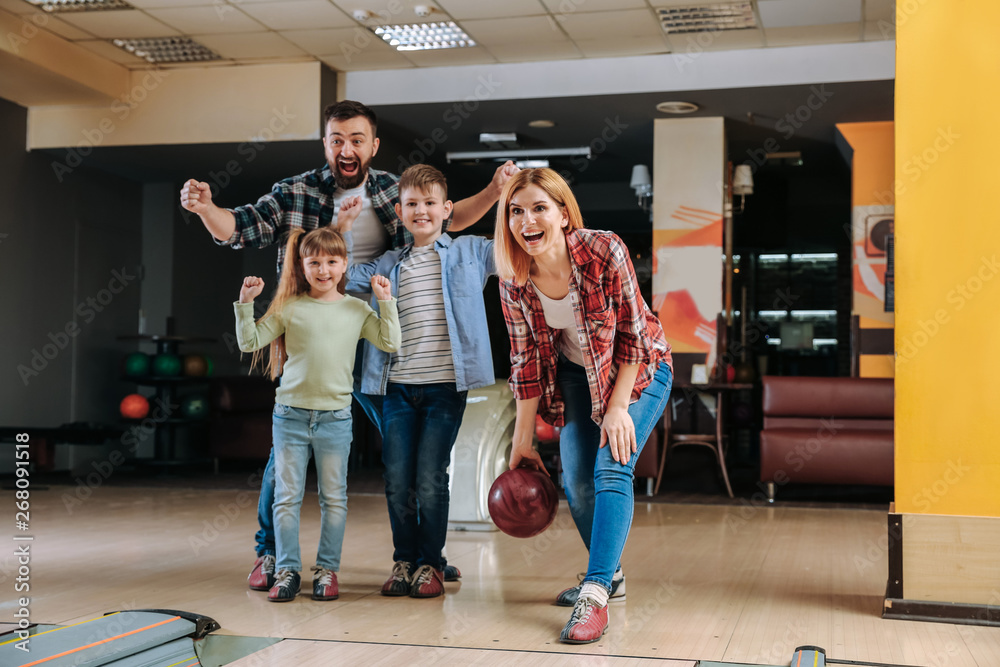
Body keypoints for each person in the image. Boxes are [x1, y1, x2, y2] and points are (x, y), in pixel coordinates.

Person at [180, 100, 517, 591]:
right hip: (316, 335)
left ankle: (426, 555)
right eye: (337, 139)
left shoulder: (391, 191)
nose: (346, 149)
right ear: (325, 143)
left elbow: (451, 218)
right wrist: (207, 208)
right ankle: (269, 553)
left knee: (413, 457)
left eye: (357, 139)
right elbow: (240, 228)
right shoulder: (295, 192)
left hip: (379, 337)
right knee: (288, 456)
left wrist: (495, 189)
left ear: (373, 145)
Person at [493, 168, 673, 644]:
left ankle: (595, 595)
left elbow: (634, 336)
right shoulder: (513, 280)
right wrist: (522, 440)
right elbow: (526, 360)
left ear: (564, 214)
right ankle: (609, 575)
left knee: (612, 465)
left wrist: (617, 409)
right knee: (575, 478)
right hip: (576, 374)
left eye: (538, 208)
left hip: (641, 368)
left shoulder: (603, 250)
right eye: (516, 211)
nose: (526, 220)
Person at [337, 164, 496, 598]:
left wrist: (503, 192)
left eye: (430, 203)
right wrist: (343, 226)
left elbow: (516, 251)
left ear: (447, 210)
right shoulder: (387, 264)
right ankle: (404, 559)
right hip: (396, 388)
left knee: (429, 476)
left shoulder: (470, 252)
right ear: (400, 211)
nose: (420, 210)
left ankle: (431, 564)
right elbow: (338, 274)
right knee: (397, 478)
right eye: (412, 204)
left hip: (445, 387)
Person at [234, 226, 401, 602]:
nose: (323, 269)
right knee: (287, 497)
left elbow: (390, 342)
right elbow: (249, 342)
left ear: (344, 266)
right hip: (290, 417)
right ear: (302, 266)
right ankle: (288, 570)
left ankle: (327, 570)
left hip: (335, 420)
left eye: (331, 261)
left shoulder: (357, 309)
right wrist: (246, 303)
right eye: (314, 262)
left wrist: (385, 301)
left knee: (334, 499)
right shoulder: (289, 308)